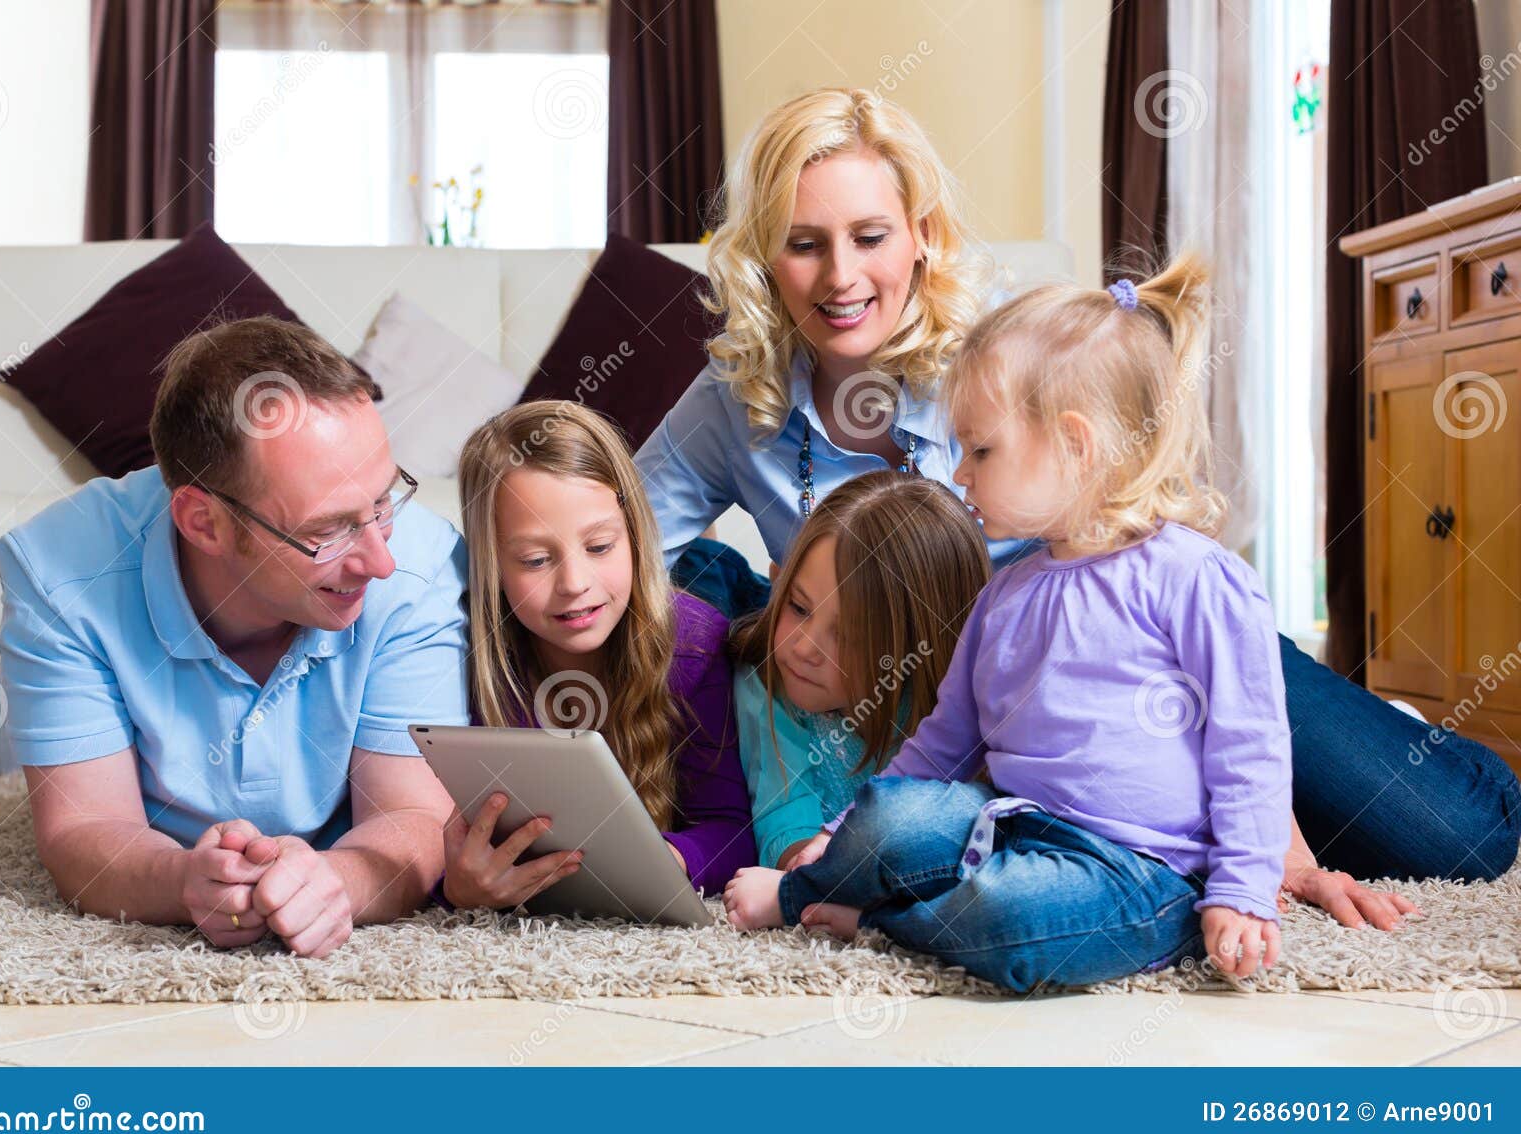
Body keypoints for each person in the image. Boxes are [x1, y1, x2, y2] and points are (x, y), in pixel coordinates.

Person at [636, 86, 1518, 924]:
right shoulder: (735, 395)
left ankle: (1312, 756)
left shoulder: (997, 356)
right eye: (804, 243)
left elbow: (1153, 531)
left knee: (1464, 836)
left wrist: (1274, 835)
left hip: (1149, 661)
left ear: (920, 237)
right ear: (764, 256)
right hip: (973, 720)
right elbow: (606, 541)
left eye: (870, 236)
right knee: (702, 577)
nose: (842, 276)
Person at [725, 256, 1292, 991]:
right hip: (1006, 825)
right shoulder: (1005, 596)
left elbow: (1250, 745)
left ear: (1075, 444)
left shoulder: (1195, 578)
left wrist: (1243, 887)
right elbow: (940, 747)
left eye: (982, 450)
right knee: (890, 815)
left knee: (1009, 915)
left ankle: (872, 917)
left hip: (1141, 867)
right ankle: (839, 888)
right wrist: (844, 838)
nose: (959, 473)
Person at [0, 317, 467, 958]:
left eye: (383, 503)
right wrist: (181, 881)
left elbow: (412, 818)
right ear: (203, 521)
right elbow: (83, 828)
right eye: (327, 531)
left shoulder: (419, 562)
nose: (379, 561)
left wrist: (339, 881)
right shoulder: (57, 572)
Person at [435, 401, 754, 908]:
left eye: (600, 546)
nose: (574, 584)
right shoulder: (460, 653)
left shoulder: (698, 645)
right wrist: (456, 887)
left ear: (635, 534)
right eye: (536, 560)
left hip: (702, 596)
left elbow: (734, 829)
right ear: (491, 565)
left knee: (726, 579)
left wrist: (668, 860)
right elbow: (429, 840)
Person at [730, 471, 988, 872]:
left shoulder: (953, 722)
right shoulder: (765, 684)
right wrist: (808, 872)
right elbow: (782, 818)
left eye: (848, 636)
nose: (803, 648)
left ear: (919, 648)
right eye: (798, 607)